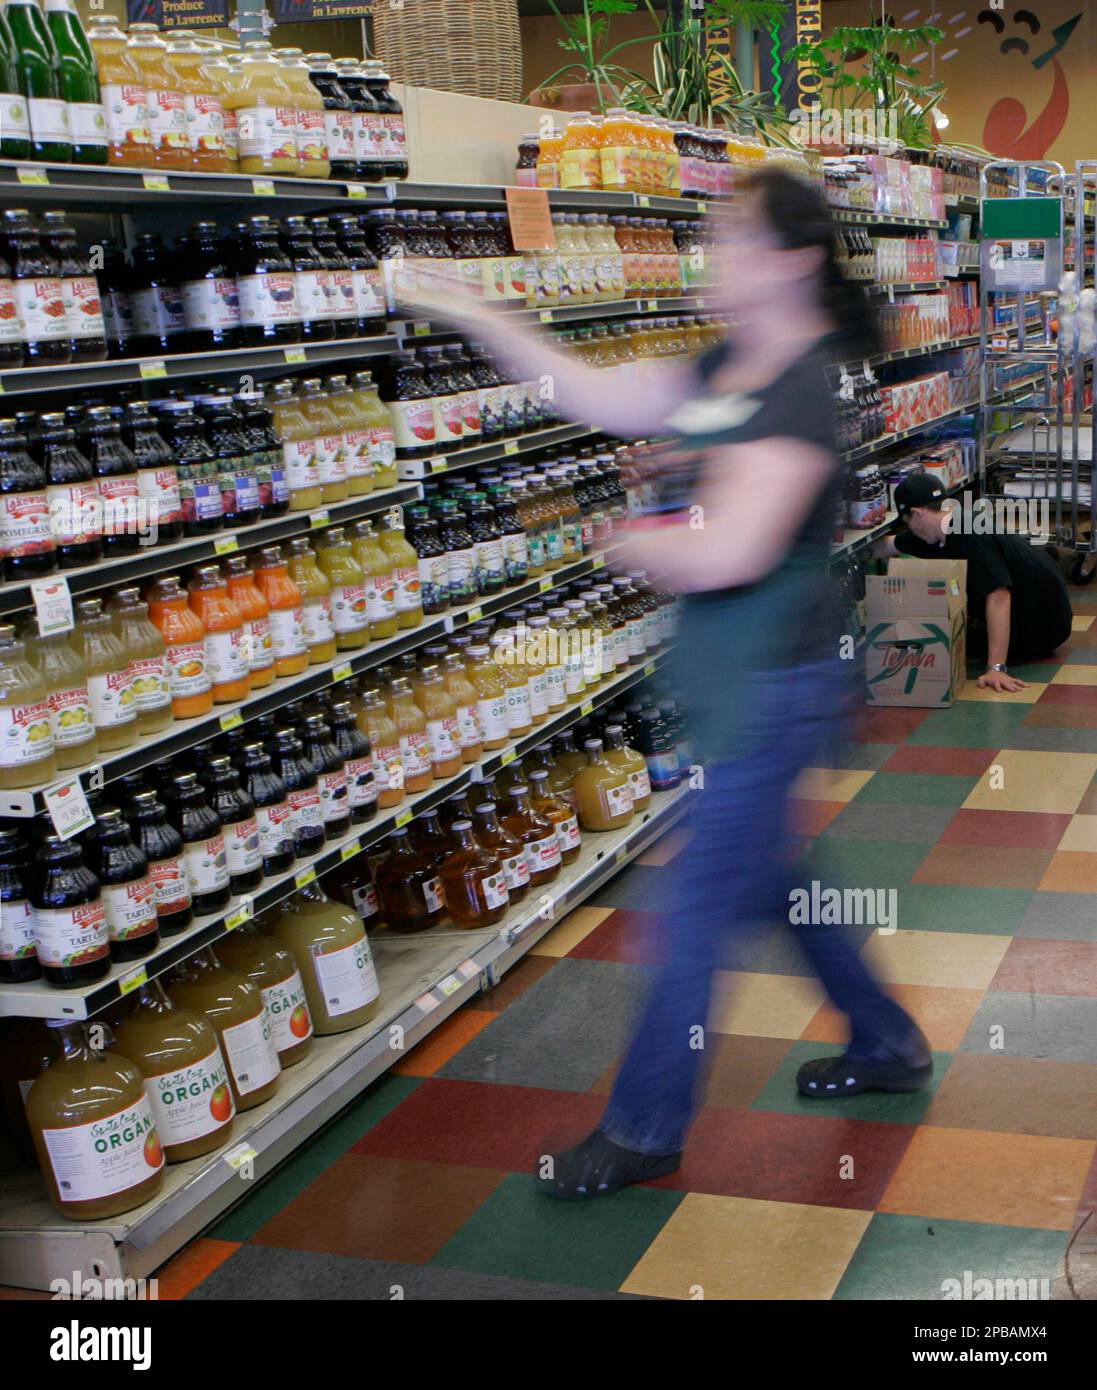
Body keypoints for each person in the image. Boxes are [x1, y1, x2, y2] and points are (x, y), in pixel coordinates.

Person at [396, 167, 932, 1203]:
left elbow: (729, 549)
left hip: (773, 688)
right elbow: (591, 395)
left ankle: (642, 1129)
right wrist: (475, 313)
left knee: (683, 910)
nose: (707, 256)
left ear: (789, 262)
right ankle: (886, 1040)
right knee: (782, 883)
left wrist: (630, 536)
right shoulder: (729, 362)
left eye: (729, 238)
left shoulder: (804, 385)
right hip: (740, 682)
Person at [878, 473, 1073, 695]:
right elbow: (889, 546)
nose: (909, 529)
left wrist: (996, 668)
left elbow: (999, 596)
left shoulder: (968, 535)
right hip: (1045, 611)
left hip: (1043, 628)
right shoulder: (945, 526)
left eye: (907, 523)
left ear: (917, 513)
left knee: (936, 639)